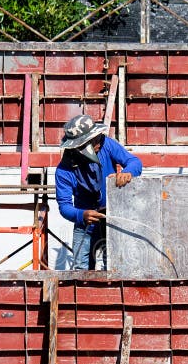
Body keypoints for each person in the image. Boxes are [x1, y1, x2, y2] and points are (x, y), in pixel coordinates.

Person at [55, 114, 143, 270]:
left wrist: (128, 172)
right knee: (80, 269)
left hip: (111, 217)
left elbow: (134, 162)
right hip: (84, 222)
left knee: (115, 266)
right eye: (94, 140)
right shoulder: (64, 170)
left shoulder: (106, 144)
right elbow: (64, 206)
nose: (99, 141)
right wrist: (81, 215)